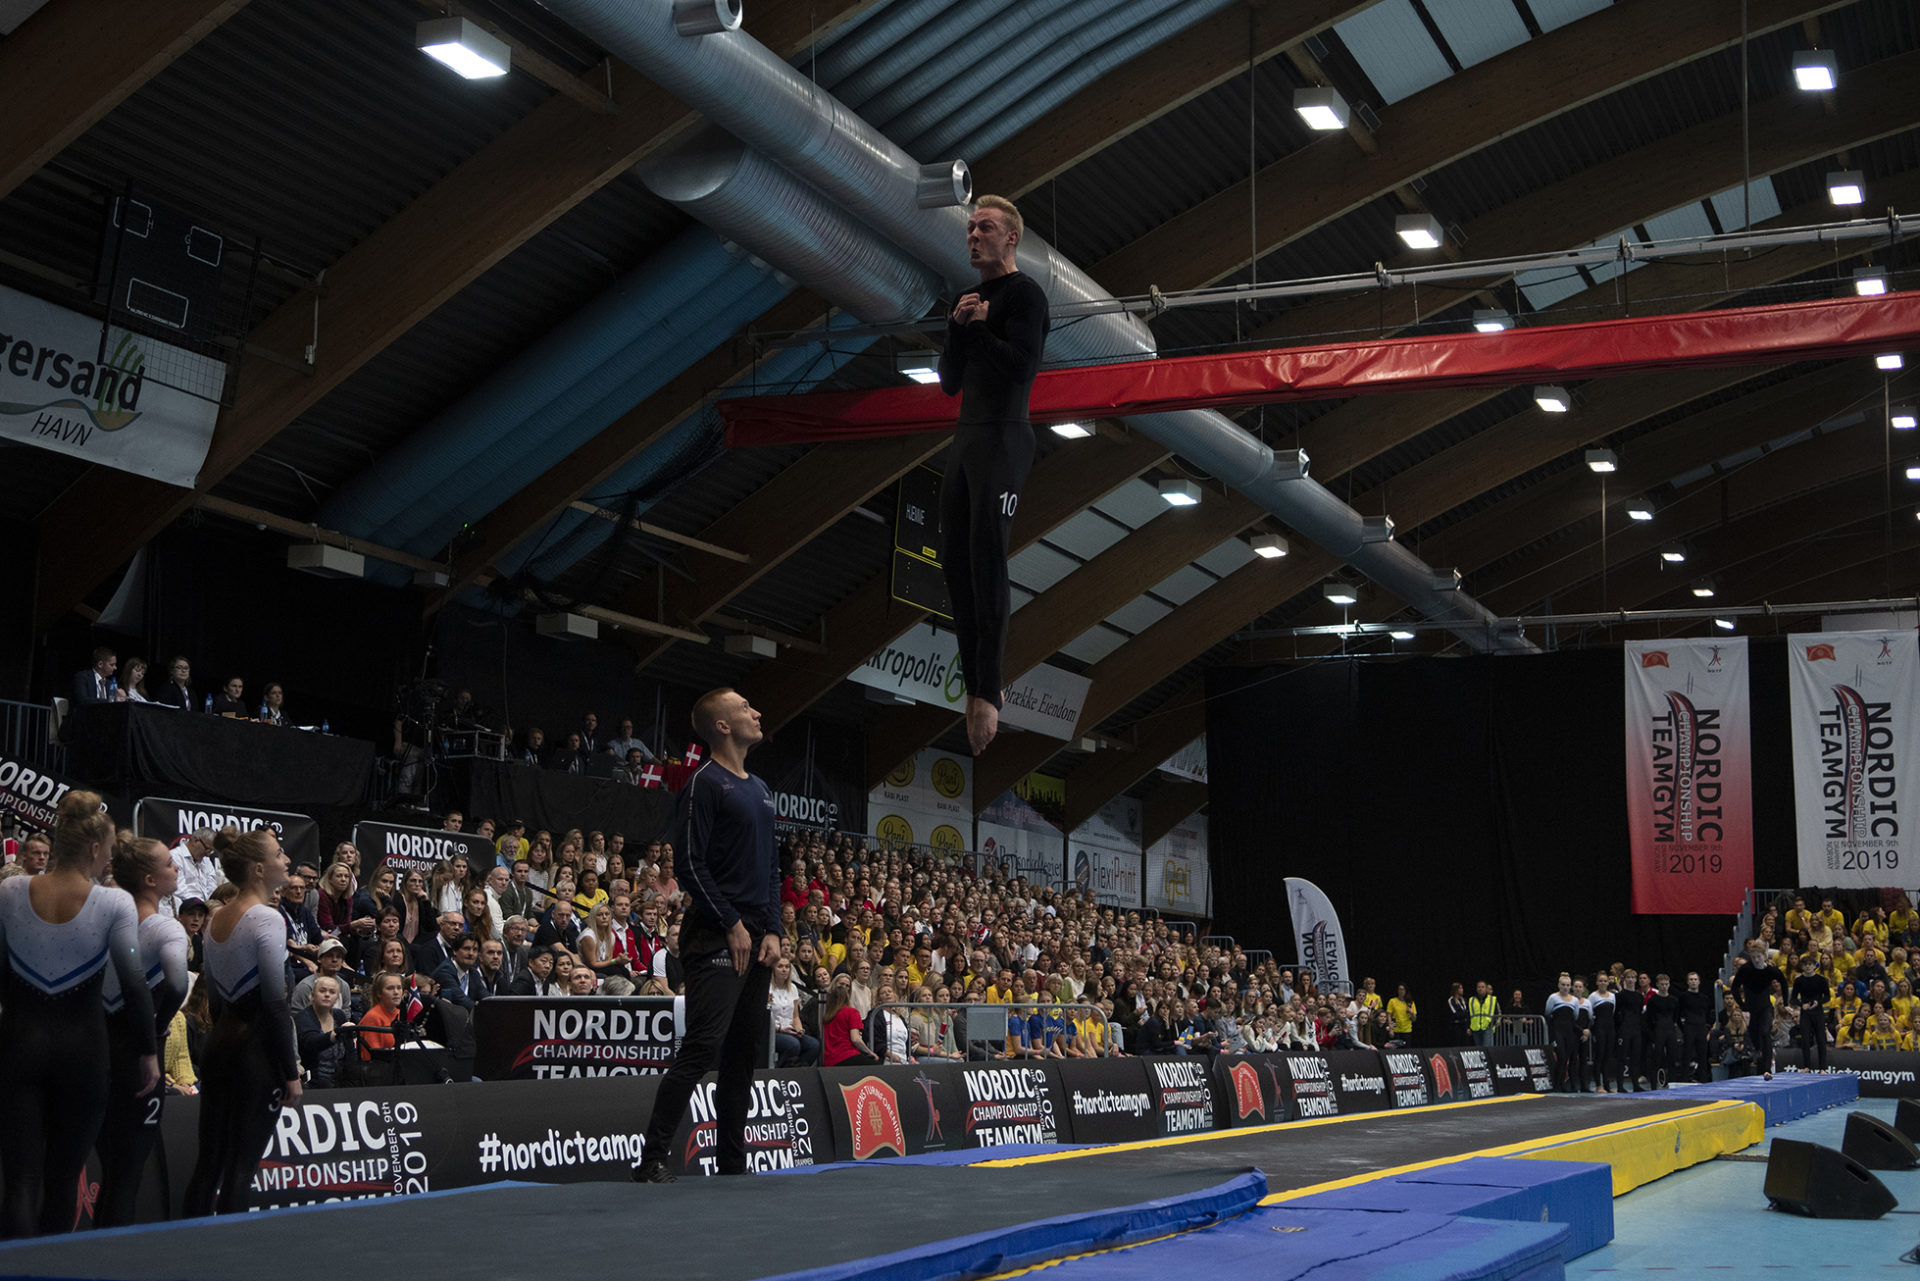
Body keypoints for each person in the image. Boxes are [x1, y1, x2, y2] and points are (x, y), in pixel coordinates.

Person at [633, 688, 781, 1185]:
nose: (756, 712)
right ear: (722, 725)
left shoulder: (760, 788)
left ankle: (732, 1164)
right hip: (715, 936)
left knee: (743, 1054)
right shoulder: (703, 783)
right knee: (702, 1047)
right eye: (745, 708)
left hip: (756, 936)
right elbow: (691, 866)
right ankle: (651, 1159)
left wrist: (774, 929)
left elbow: (771, 868)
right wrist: (732, 923)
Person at [0, 791, 156, 1238]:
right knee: (63, 1178)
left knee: (20, 1182)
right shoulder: (114, 904)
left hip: (19, 1043)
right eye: (108, 850)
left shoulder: (10, 891)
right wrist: (147, 1051)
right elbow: (134, 983)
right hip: (82, 1052)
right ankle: (51, 1265)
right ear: (93, 848)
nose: (110, 858)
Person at [934, 194, 1051, 755]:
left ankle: (988, 692)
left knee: (986, 554)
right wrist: (957, 328)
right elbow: (949, 383)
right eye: (970, 228)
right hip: (968, 438)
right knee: (953, 560)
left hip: (1005, 437)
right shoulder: (966, 299)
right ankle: (975, 684)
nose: (973, 235)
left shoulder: (1025, 294)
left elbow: (1022, 367)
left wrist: (980, 330)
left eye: (985, 227)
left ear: (1011, 238)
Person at [182, 826, 300, 1216]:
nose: (286, 859)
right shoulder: (267, 918)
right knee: (241, 1168)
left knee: (209, 1163)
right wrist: (290, 1072)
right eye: (278, 853)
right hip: (256, 1053)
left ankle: (186, 1242)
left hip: (220, 1046)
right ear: (258, 869)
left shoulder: (217, 918)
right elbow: (275, 1004)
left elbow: (216, 1002)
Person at [97, 834, 190, 1220]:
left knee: (102, 1162)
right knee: (127, 1171)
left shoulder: (100, 922)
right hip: (137, 1053)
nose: (177, 867)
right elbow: (178, 985)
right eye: (169, 863)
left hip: (95, 1045)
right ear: (150, 880)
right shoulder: (164, 928)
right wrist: (159, 1027)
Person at [1727, 939, 1788, 1080]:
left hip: (1766, 1008)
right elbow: (1734, 987)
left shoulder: (1770, 970)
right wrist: (1742, 1004)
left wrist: (1785, 1002)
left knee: (1765, 1032)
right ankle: (1760, 1055)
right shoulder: (1746, 969)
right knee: (1755, 1037)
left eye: (1758, 957)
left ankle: (1767, 1069)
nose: (1756, 960)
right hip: (1751, 1010)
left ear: (1764, 956)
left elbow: (1783, 982)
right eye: (1753, 957)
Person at [295, 975, 352, 1088]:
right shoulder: (303, 1017)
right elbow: (311, 1042)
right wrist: (335, 1034)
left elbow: (350, 1051)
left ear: (337, 998)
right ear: (313, 994)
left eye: (332, 992)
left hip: (342, 1079)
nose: (327, 994)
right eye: (322, 991)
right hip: (315, 1082)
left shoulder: (339, 1015)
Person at [821, 972, 878, 1066]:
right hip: (847, 1055)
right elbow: (855, 1039)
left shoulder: (825, 1013)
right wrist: (869, 1052)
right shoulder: (852, 1012)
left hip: (829, 1060)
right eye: (842, 984)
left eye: (847, 986)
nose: (844, 988)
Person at [1544, 973, 1586, 1094]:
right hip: (1557, 1031)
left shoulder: (1574, 1000)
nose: (1565, 987)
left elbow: (1575, 1016)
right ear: (1558, 985)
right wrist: (1552, 1034)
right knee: (1561, 1057)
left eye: (1567, 985)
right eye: (1563, 985)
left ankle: (1562, 1085)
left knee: (1566, 1058)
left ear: (1570, 986)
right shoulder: (1553, 998)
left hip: (1568, 1032)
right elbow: (1547, 1013)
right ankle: (1556, 1085)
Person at [1791, 954, 1832, 1072]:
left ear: (1815, 966)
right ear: (1802, 967)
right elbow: (1793, 998)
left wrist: (1818, 1002)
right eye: (1805, 965)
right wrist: (1801, 1005)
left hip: (1818, 1012)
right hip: (1805, 1013)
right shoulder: (1798, 981)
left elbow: (1827, 996)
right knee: (1805, 1039)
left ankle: (1823, 1067)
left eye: (1810, 964)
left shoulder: (1821, 980)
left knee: (1821, 1039)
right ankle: (1806, 1066)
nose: (1808, 967)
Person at [1467, 980, 1499, 1048]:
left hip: (1487, 1028)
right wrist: (1468, 1027)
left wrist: (1493, 1023)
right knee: (1479, 1049)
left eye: (1482, 987)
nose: (1480, 989)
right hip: (1475, 1029)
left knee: (1487, 1049)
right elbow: (1468, 1014)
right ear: (1476, 989)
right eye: (1479, 987)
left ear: (1486, 988)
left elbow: (1497, 1013)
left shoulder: (1492, 999)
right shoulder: (1471, 1000)